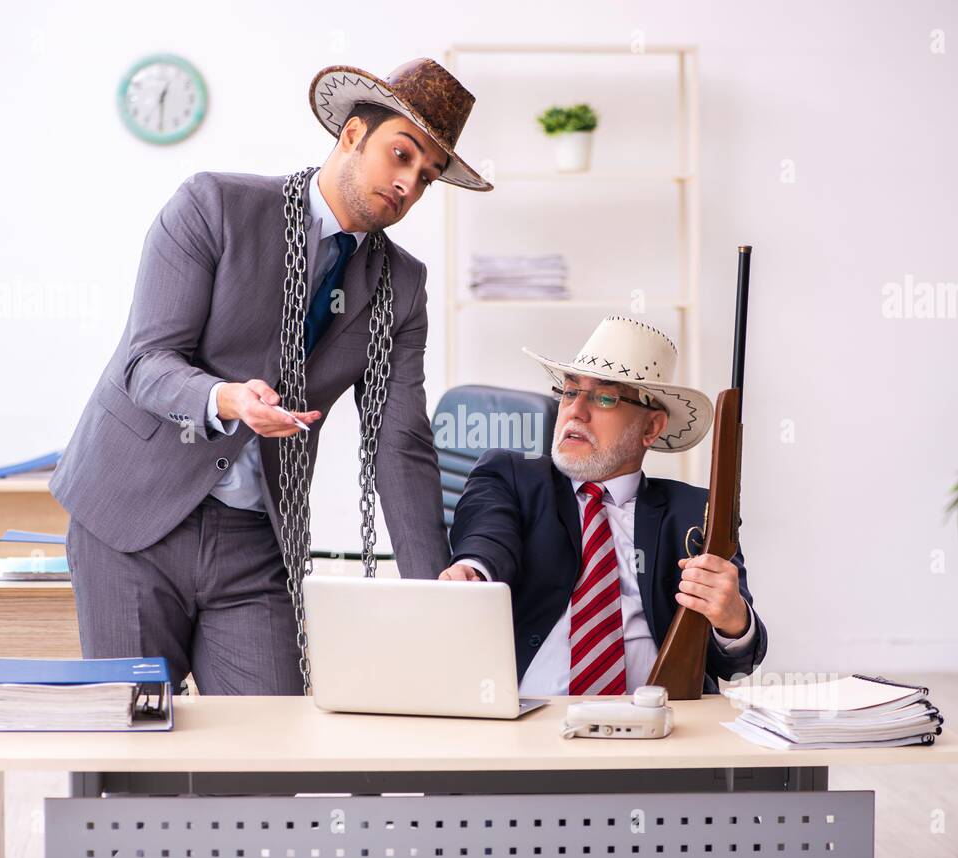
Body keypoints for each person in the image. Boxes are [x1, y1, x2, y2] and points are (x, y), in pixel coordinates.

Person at [52, 58, 492, 694]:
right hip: (131, 519)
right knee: (130, 749)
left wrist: (434, 598)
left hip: (255, 538)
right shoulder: (215, 205)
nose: (407, 185)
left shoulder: (402, 286)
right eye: (401, 155)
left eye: (425, 178)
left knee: (273, 755)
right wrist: (224, 398)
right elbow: (145, 362)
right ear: (351, 135)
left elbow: (401, 445)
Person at [441, 316, 767, 695]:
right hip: (533, 728)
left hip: (661, 734)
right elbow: (486, 538)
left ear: (651, 428)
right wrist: (474, 572)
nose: (576, 411)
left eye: (605, 397)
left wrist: (733, 620)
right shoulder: (512, 478)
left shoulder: (695, 511)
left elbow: (736, 664)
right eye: (569, 392)